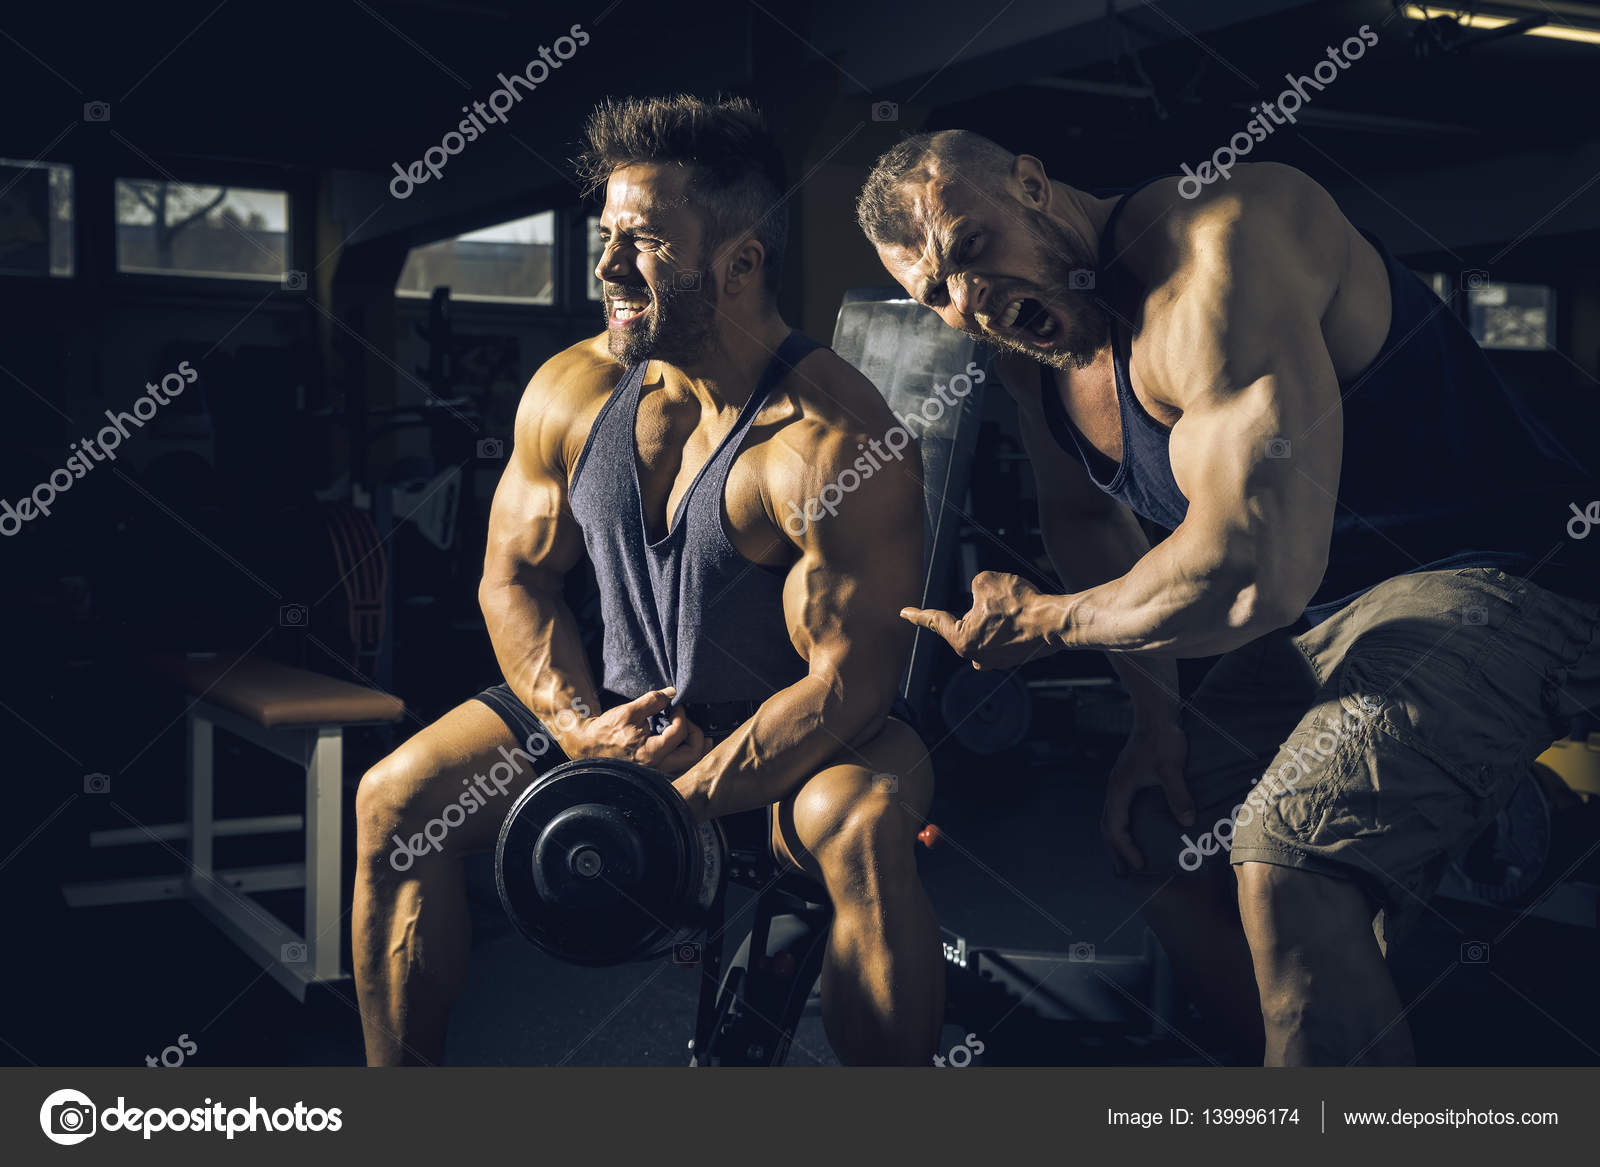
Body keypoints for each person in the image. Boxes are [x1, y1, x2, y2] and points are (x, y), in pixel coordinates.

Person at [856, 129, 1600, 1065]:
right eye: (936, 293)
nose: (970, 298)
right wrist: (1154, 719)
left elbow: (1258, 569)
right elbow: (1090, 527)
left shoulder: (1222, 243)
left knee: (1292, 857)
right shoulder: (1032, 362)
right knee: (1163, 834)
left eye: (971, 247)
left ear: (1035, 187)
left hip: (1502, 576)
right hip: (1320, 619)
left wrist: (1051, 620)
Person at [354, 95, 941, 1067]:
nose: (608, 267)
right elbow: (514, 580)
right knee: (392, 801)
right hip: (615, 722)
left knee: (865, 824)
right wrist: (579, 730)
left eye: (645, 244)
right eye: (605, 237)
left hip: (797, 741)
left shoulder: (833, 437)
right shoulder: (573, 389)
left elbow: (852, 684)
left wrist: (680, 799)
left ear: (741, 262)